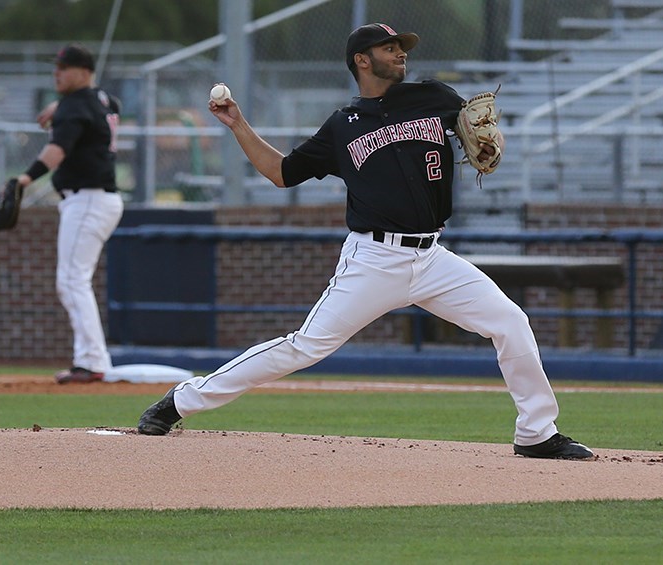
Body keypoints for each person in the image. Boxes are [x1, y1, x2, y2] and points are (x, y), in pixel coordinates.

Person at [137, 23, 594, 459]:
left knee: (510, 321)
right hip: (373, 259)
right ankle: (182, 400)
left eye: (402, 48)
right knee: (305, 346)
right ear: (362, 60)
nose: (400, 54)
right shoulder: (343, 125)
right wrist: (238, 124)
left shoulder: (434, 96)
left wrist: (488, 141)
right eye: (389, 48)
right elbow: (281, 173)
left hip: (432, 258)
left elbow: (476, 129)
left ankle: (536, 433)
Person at [10, 43, 124, 384]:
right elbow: (107, 103)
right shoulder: (100, 99)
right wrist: (63, 104)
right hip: (97, 199)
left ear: (84, 72)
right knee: (74, 280)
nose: (57, 73)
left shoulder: (76, 105)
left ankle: (92, 361)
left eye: (65, 67)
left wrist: (24, 179)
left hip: (87, 199)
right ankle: (91, 359)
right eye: (56, 67)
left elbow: (57, 150)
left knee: (72, 281)